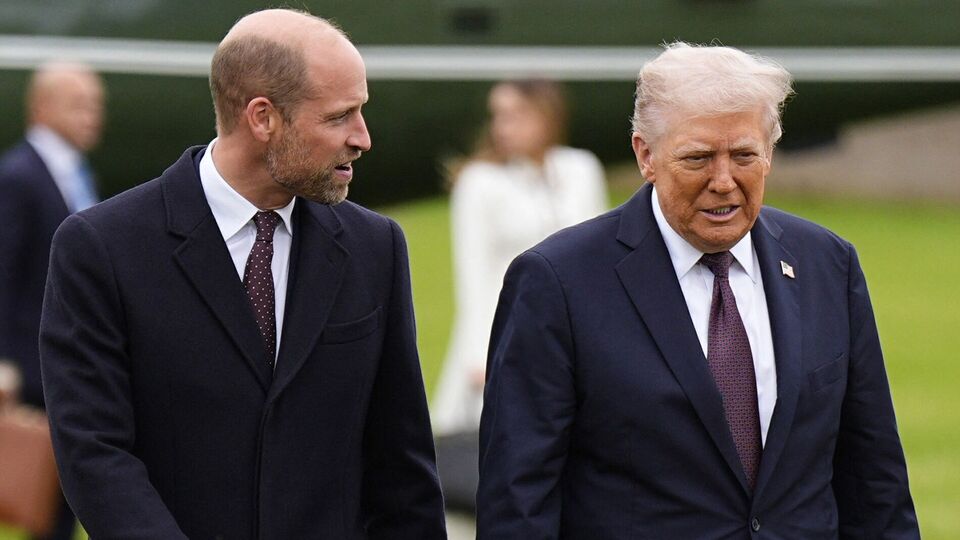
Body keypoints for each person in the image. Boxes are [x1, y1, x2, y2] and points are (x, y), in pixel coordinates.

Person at [477, 42, 919, 538]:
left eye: (745, 155)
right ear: (646, 154)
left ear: (769, 152)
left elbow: (875, 480)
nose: (725, 181)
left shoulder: (827, 264)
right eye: (699, 157)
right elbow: (518, 500)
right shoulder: (557, 281)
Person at [39, 9, 446, 539]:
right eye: (339, 116)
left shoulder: (376, 248)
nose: (362, 138)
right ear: (263, 118)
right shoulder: (101, 249)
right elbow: (94, 453)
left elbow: (403, 468)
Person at [432, 79, 606, 435]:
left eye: (515, 114)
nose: (502, 127)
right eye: (498, 115)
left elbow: (599, 258)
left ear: (547, 115)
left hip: (571, 332)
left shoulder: (581, 169)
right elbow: (473, 274)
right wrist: (480, 355)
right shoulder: (479, 182)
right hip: (507, 332)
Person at [0, 61, 104, 540]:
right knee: (36, 498)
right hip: (28, 368)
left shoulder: (78, 175)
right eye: (79, 104)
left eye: (96, 106)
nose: (92, 116)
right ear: (41, 107)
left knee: (61, 500)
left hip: (66, 366)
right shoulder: (18, 177)